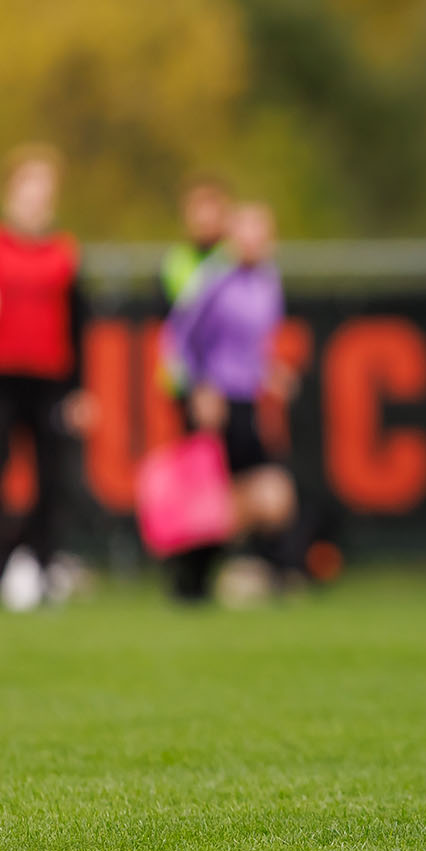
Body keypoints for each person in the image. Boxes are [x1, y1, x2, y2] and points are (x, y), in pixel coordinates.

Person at [161, 203, 297, 602]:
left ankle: (225, 574)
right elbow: (179, 341)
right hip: (214, 403)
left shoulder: (269, 280)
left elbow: (253, 346)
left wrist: (271, 372)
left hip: (246, 399)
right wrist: (199, 388)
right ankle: (193, 579)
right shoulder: (214, 278)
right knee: (221, 497)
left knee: (261, 497)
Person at [0, 143, 93, 611]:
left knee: (52, 480)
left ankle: (40, 564)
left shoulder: (63, 254)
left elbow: (78, 327)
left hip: (50, 382)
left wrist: (79, 390)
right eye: (28, 187)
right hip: (3, 380)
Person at [159, 174, 233, 307]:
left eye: (211, 205)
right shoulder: (177, 261)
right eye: (196, 207)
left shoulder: (242, 260)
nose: (203, 218)